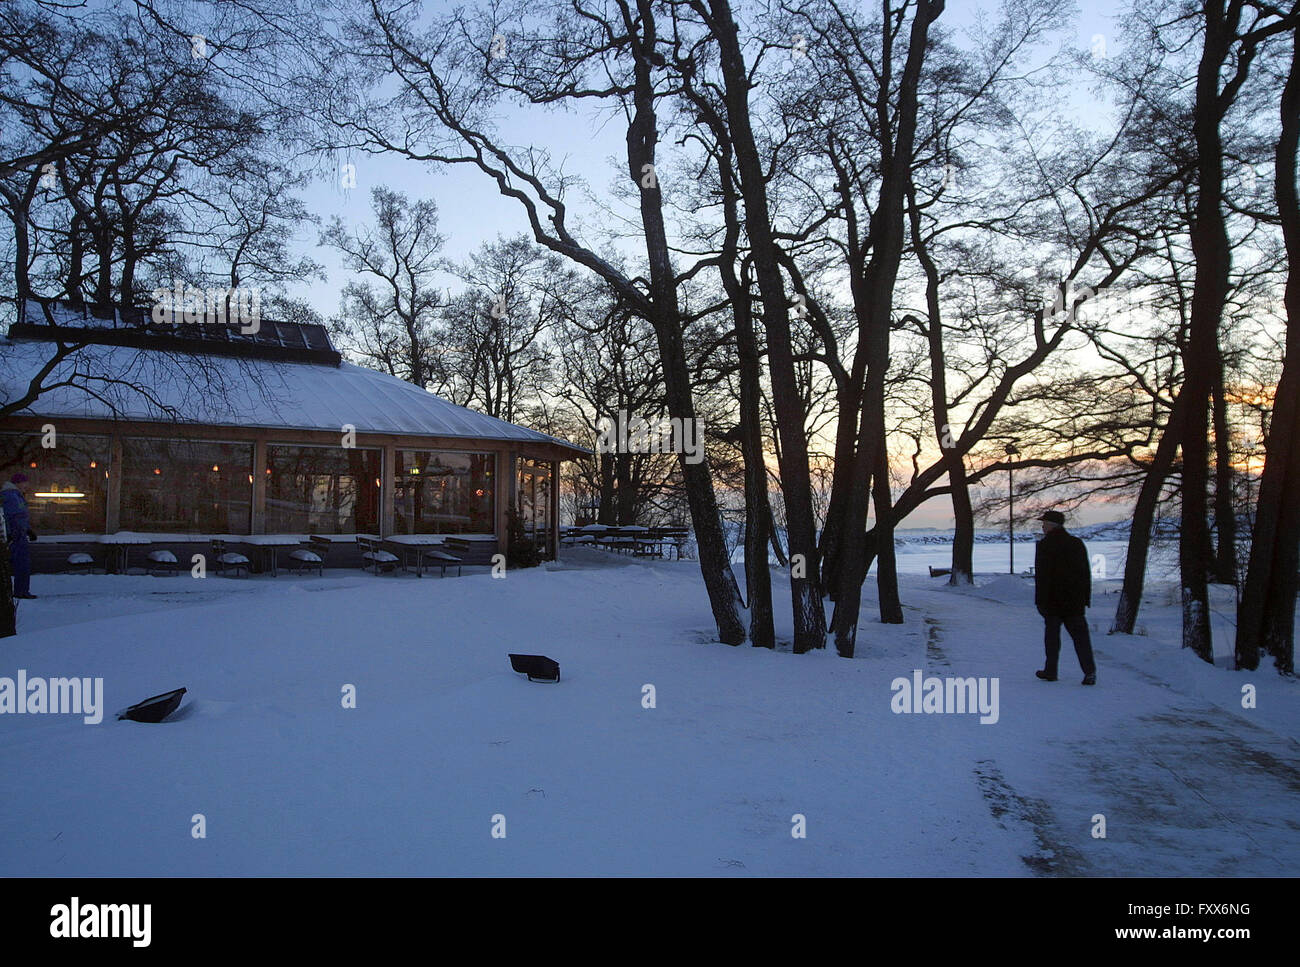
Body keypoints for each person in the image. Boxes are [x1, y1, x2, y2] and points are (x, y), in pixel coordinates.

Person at [1033, 509, 1095, 685]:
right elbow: (1085, 573)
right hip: (1074, 601)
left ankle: (1051, 670)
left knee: (1052, 639)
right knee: (1081, 638)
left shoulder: (1044, 546)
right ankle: (1089, 672)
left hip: (1051, 601)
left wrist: (1039, 601)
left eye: (1044, 523)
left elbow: (1042, 577)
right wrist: (1085, 598)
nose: (1042, 526)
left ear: (1051, 526)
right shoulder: (1076, 544)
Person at [2, 472, 37, 600]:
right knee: (21, 563)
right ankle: (21, 591)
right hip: (17, 535)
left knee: (21, 563)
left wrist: (27, 530)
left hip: (18, 533)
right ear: (18, 483)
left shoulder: (15, 495)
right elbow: (15, 516)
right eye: (25, 482)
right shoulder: (12, 496)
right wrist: (15, 532)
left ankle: (21, 590)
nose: (27, 485)